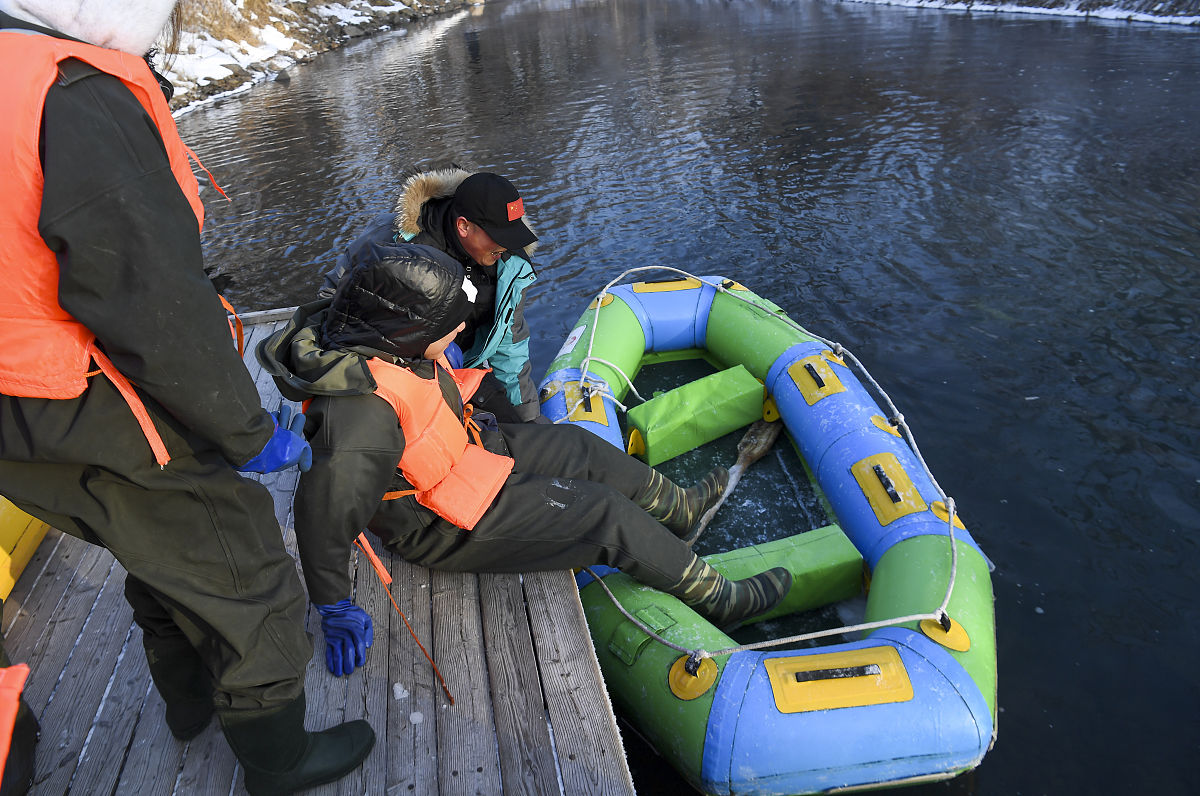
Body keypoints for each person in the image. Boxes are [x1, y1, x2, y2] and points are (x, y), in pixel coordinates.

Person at [0, 3, 373, 792]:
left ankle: (187, 703)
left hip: (16, 404)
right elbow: (152, 303)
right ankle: (277, 758)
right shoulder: (65, 94)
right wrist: (246, 428)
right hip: (79, 395)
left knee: (153, 542)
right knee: (241, 562)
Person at [259, 241, 793, 677]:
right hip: (440, 521)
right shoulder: (357, 423)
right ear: (406, 334)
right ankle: (719, 596)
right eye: (447, 329)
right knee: (601, 512)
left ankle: (679, 508)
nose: (457, 336)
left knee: (580, 447)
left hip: (467, 453)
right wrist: (333, 603)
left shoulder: (379, 340)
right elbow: (323, 516)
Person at [318, 168, 543, 423]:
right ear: (464, 226)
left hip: (467, 371)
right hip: (403, 374)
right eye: (499, 237)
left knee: (524, 430)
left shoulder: (510, 264)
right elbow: (332, 304)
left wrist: (527, 417)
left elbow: (510, 347)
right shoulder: (391, 245)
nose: (505, 248)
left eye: (512, 236)